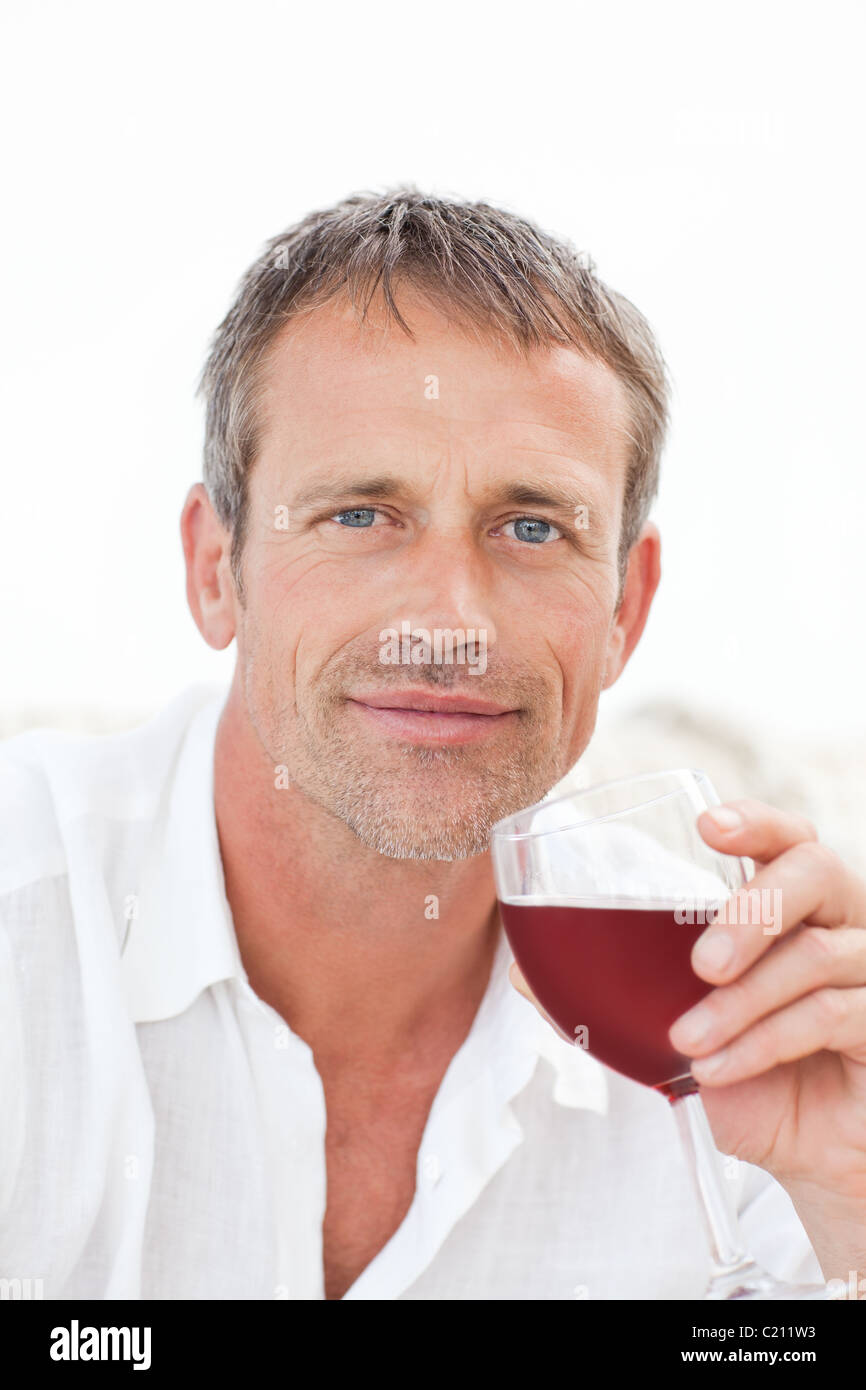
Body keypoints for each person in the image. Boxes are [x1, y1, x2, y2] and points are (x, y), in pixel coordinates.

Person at [2, 187, 864, 1301]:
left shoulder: (726, 1021)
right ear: (216, 571)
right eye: (360, 515)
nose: (449, 621)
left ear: (622, 611)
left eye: (530, 527)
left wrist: (850, 1209)